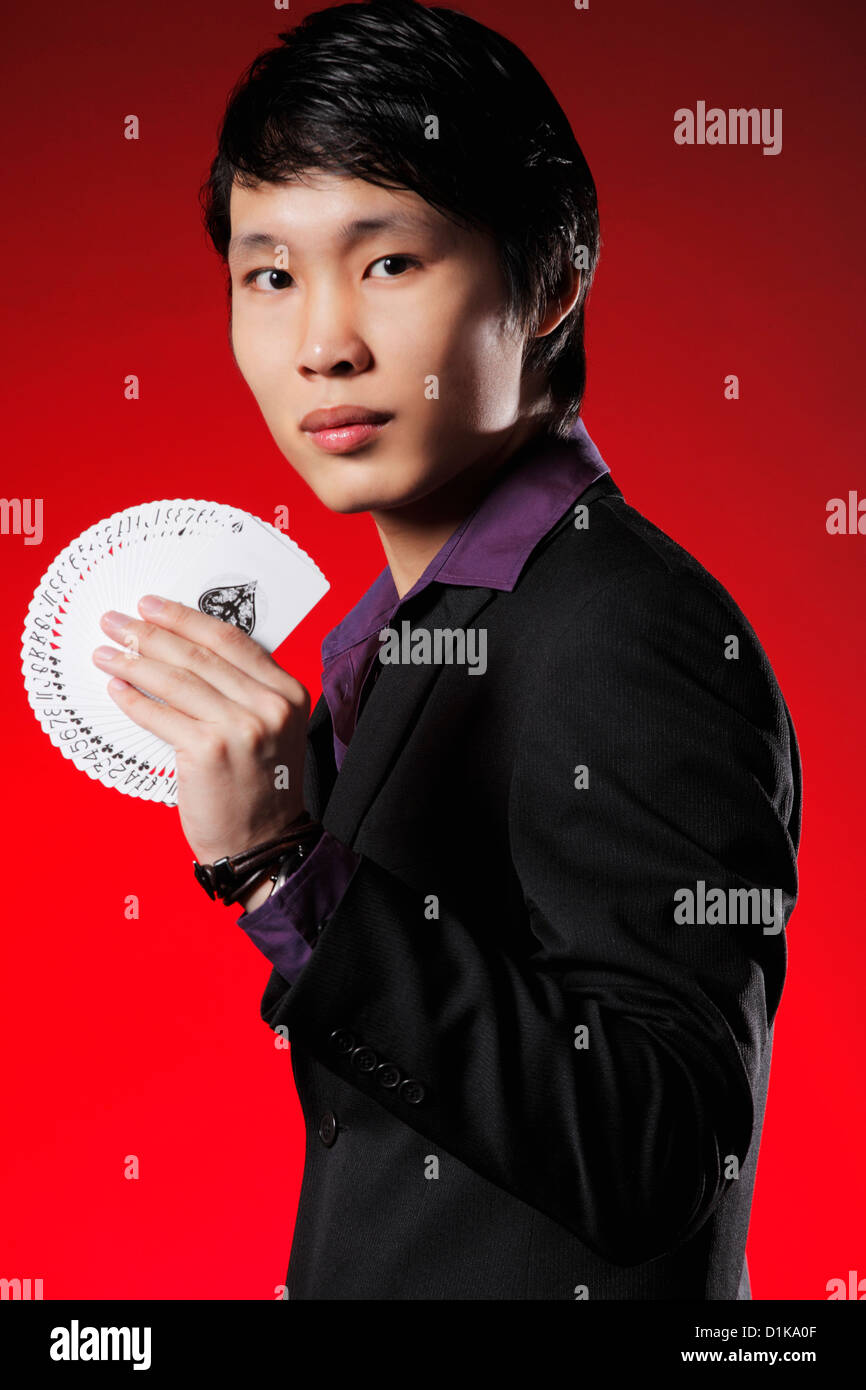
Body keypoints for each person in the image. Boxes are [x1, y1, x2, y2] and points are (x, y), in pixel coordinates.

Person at [102, 0, 801, 1298]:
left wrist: (277, 867)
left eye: (389, 262)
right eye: (270, 273)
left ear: (549, 279)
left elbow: (662, 1150)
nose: (322, 342)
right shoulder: (396, 638)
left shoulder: (624, 629)